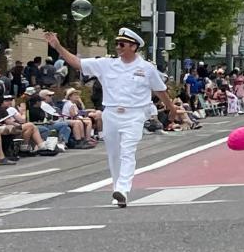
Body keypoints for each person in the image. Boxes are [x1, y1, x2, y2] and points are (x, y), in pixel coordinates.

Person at [44, 27, 174, 207]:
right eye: (117, 44)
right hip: (111, 113)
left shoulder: (146, 68)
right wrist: (58, 47)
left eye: (122, 44)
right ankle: (117, 190)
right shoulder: (106, 64)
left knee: (128, 151)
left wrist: (171, 109)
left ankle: (123, 189)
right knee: (114, 154)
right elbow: (78, 63)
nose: (118, 47)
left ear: (133, 46)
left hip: (134, 114)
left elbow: (160, 91)